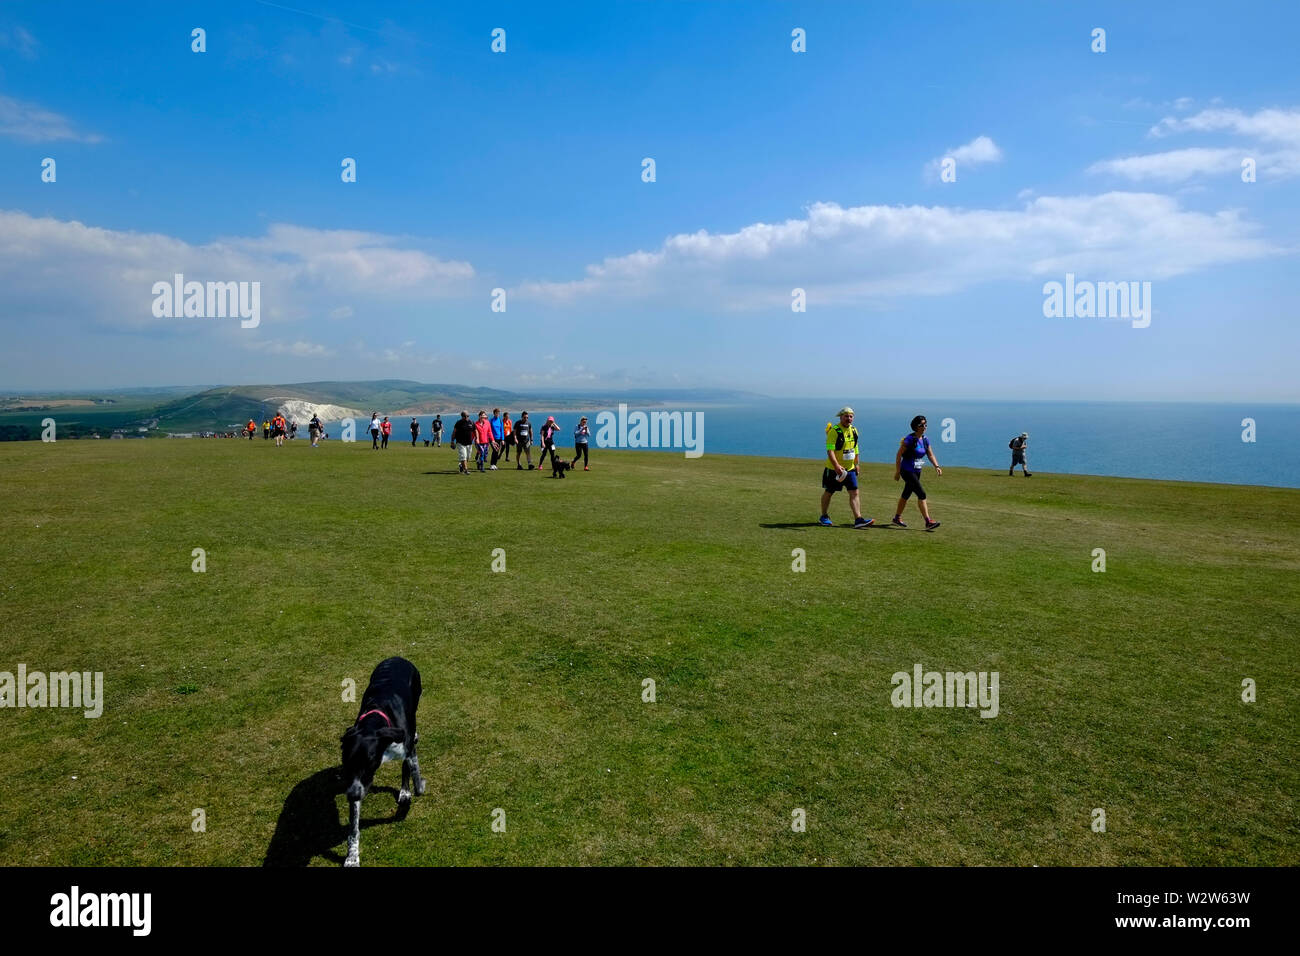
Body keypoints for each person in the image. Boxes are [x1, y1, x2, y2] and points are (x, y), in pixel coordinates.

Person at [819, 406, 873, 528]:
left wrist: (857, 463)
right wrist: (836, 466)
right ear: (841, 417)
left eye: (851, 416)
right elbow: (830, 451)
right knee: (829, 491)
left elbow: (855, 447)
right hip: (834, 470)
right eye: (846, 416)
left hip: (850, 469)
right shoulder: (835, 431)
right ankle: (824, 516)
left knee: (854, 492)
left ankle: (858, 519)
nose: (849, 418)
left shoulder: (854, 430)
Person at [893, 415, 942, 531]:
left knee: (906, 494)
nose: (924, 426)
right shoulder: (910, 439)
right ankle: (928, 521)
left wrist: (937, 466)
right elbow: (899, 454)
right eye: (921, 425)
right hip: (907, 471)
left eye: (925, 424)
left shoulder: (925, 439)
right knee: (922, 494)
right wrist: (898, 471)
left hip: (917, 471)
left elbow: (930, 454)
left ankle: (896, 518)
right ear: (915, 426)